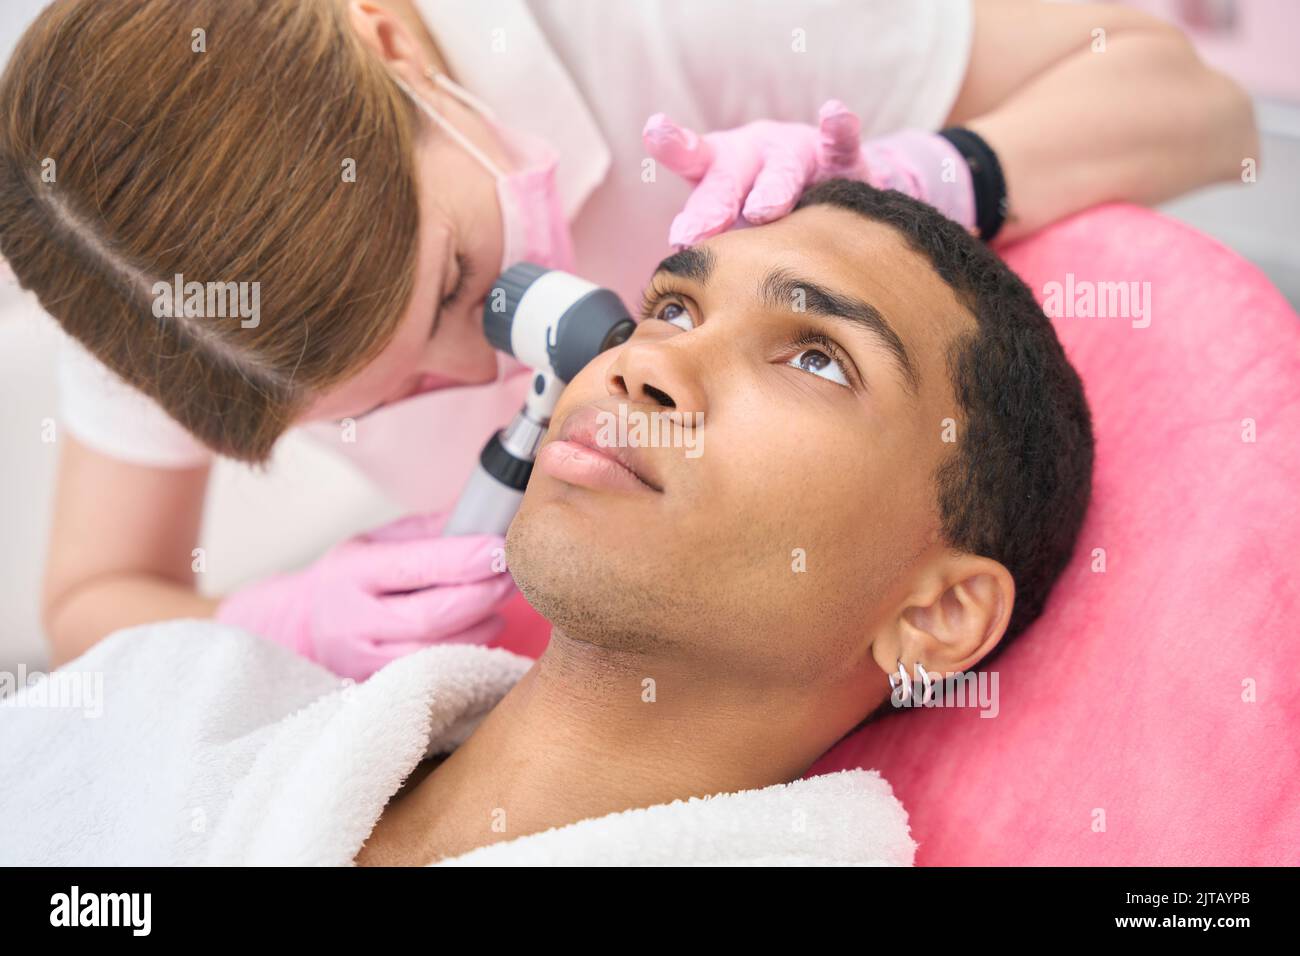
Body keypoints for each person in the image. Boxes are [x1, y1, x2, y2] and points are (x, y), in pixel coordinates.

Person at [0, 0, 1242, 676]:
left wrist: (932, 178)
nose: (484, 370)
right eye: (378, 401)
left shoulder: (653, 23)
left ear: (390, 40)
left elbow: (1196, 101)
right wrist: (271, 627)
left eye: (455, 286)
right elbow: (92, 598)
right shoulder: (168, 300)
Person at [0, 180, 1094, 865]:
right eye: (672, 305)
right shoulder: (172, 698)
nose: (646, 361)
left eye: (816, 356)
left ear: (940, 611)